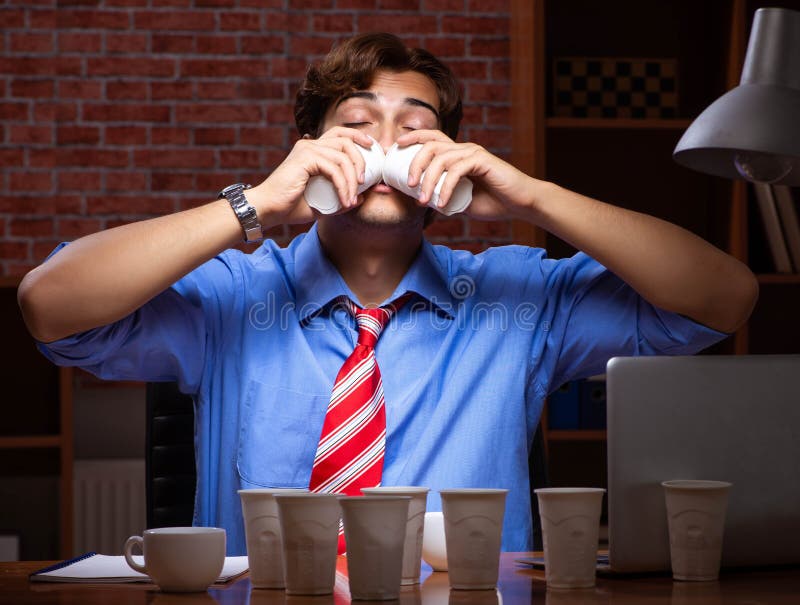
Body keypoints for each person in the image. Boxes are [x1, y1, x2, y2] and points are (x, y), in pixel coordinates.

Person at [17, 33, 758, 554]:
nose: (386, 147)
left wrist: (534, 199)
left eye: (416, 128)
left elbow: (724, 299)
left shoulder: (517, 297)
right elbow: (50, 305)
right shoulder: (232, 298)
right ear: (308, 153)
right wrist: (254, 207)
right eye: (357, 126)